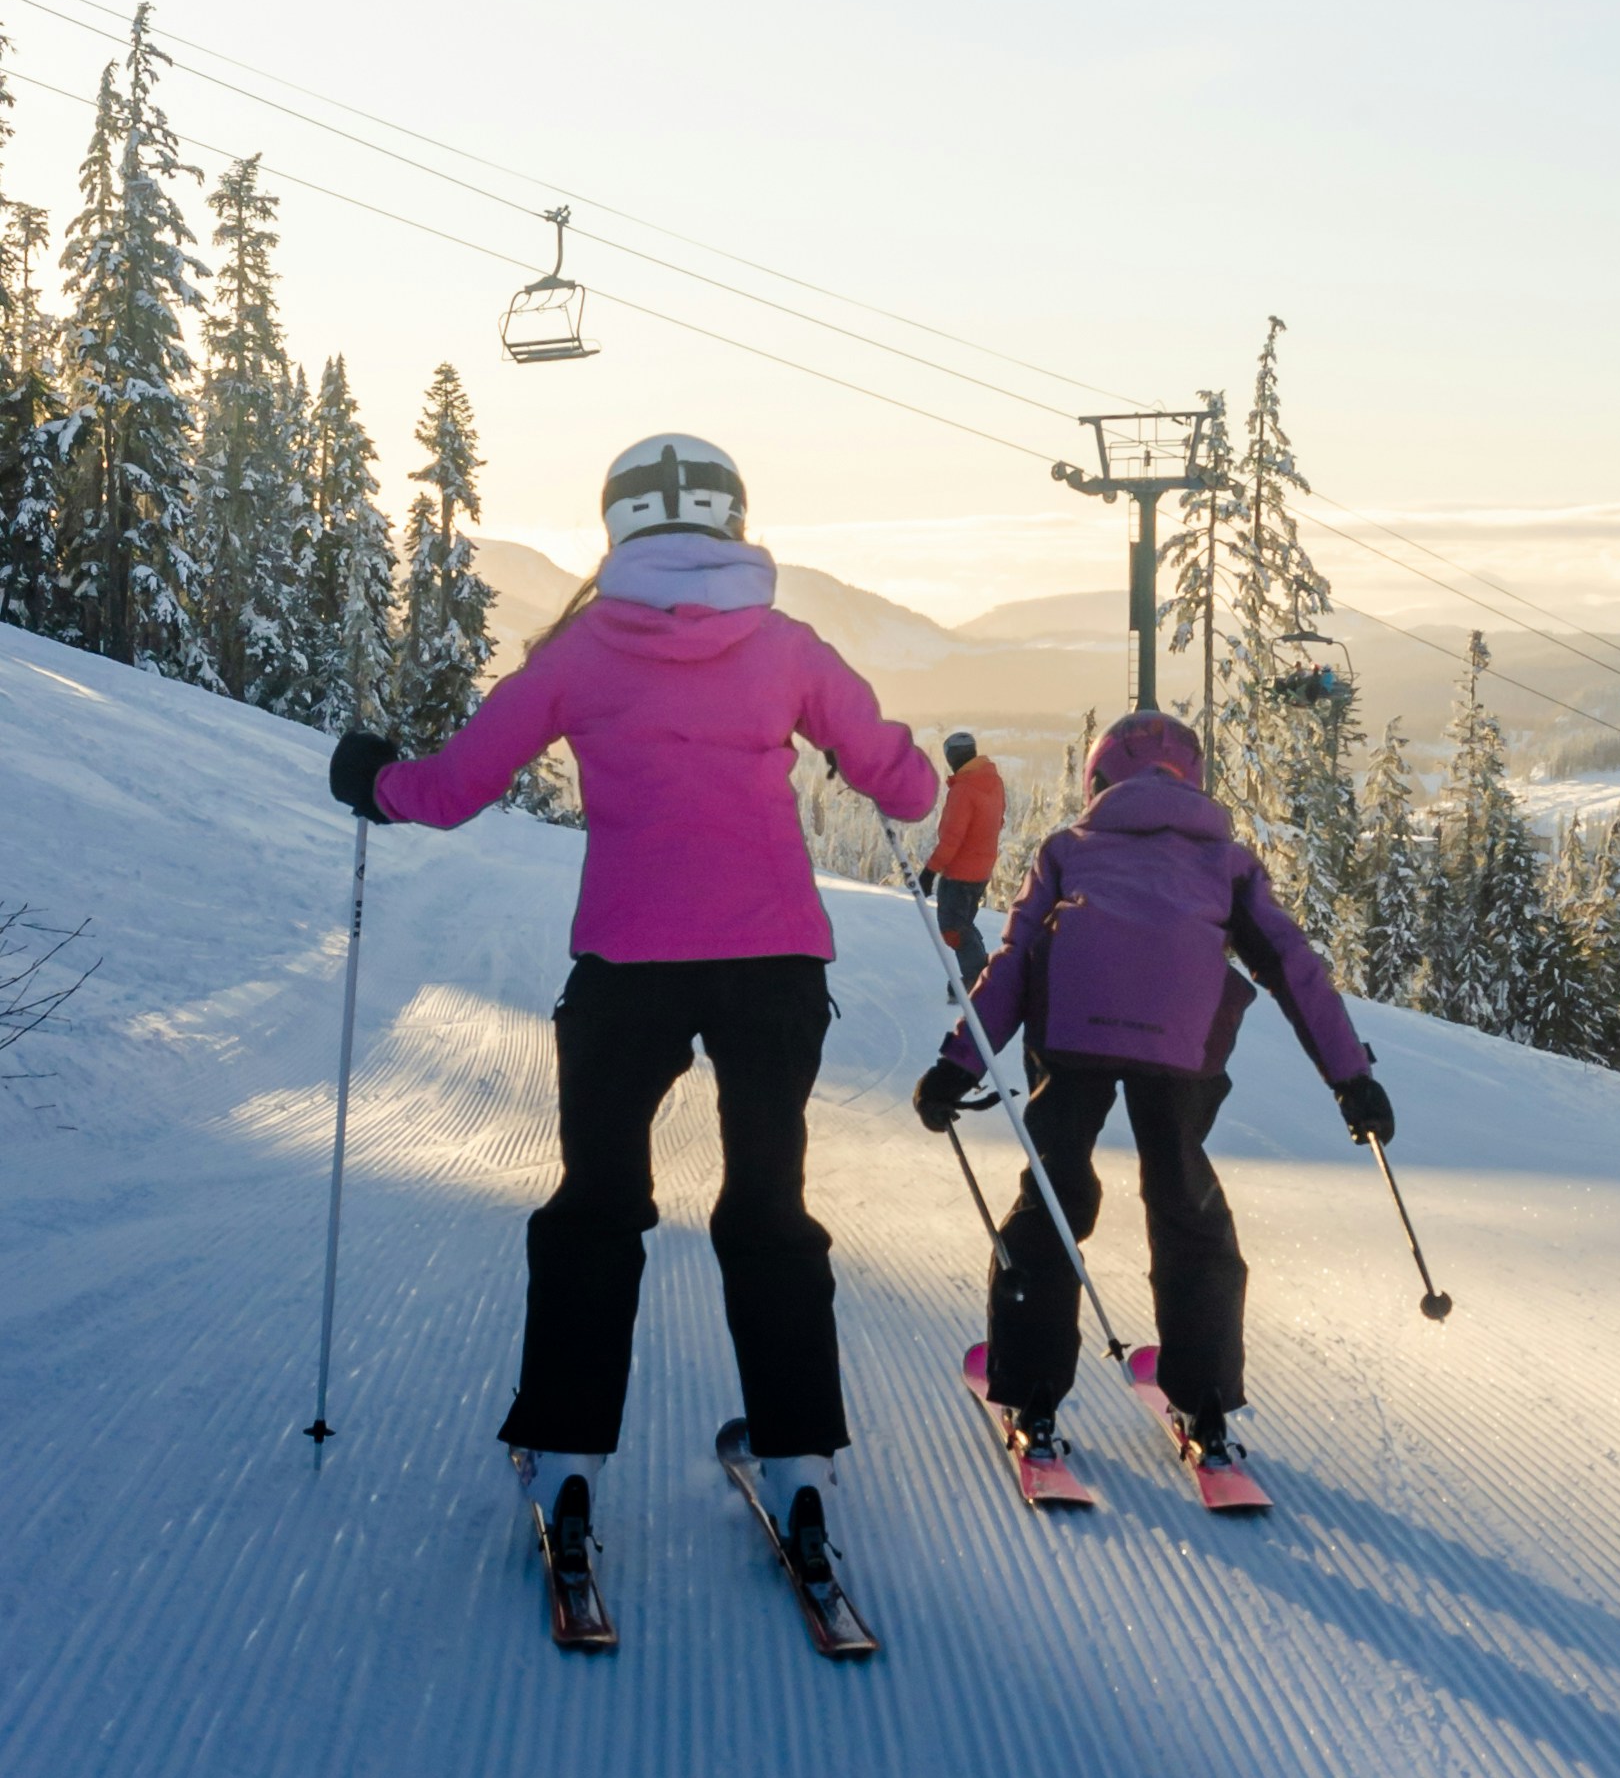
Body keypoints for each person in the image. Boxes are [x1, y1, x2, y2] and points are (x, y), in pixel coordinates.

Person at [328, 432, 936, 1583]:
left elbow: (451, 791)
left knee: (598, 1206)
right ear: (732, 519)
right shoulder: (788, 645)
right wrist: (885, 762)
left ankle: (565, 1459)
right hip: (773, 965)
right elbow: (902, 784)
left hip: (627, 965)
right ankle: (800, 1465)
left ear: (615, 527)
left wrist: (372, 782)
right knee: (768, 1207)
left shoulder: (578, 653)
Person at [909, 710, 1392, 1467]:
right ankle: (1203, 1407)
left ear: (1099, 780)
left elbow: (1013, 966)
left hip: (1074, 1038)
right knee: (1184, 1201)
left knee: (1055, 1200)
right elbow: (1295, 969)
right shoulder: (1228, 863)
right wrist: (1351, 1079)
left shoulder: (1067, 850)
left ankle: (1032, 1395)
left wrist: (957, 1064)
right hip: (1184, 1048)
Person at [919, 729, 1005, 985]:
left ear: (952, 757)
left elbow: (951, 839)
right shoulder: (993, 781)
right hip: (982, 869)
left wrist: (929, 872)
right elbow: (998, 821)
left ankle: (975, 980)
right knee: (963, 924)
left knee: (953, 930)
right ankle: (979, 972)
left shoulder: (964, 789)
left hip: (960, 873)